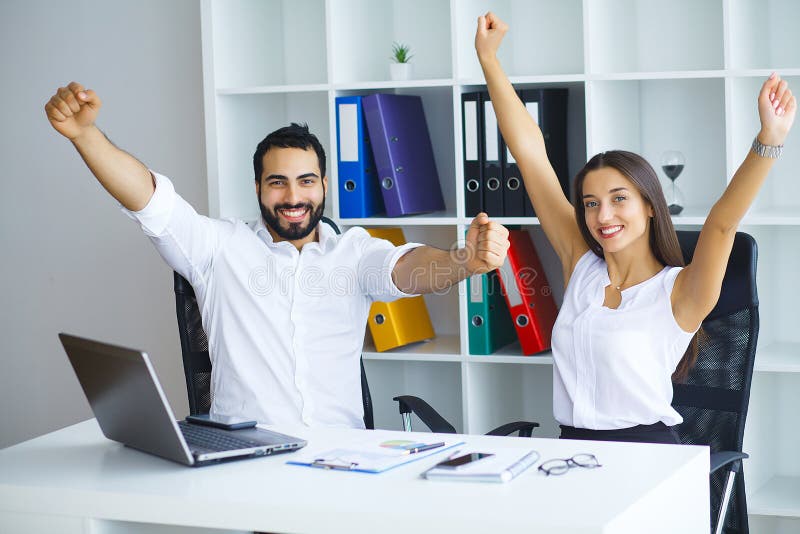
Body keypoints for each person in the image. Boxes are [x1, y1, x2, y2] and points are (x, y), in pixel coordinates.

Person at [45, 81, 510, 428]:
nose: (294, 196)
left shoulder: (353, 252)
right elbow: (149, 200)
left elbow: (404, 269)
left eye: (307, 181)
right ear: (257, 188)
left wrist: (464, 261)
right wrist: (84, 136)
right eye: (278, 182)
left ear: (324, 185)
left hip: (342, 460)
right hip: (247, 455)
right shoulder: (216, 247)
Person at [475, 13, 795, 444]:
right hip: (573, 449)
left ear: (649, 206)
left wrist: (769, 140)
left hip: (646, 454)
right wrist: (489, 60)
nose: (603, 216)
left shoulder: (681, 292)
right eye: (591, 204)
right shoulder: (582, 267)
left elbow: (722, 224)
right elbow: (531, 154)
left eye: (618, 199)